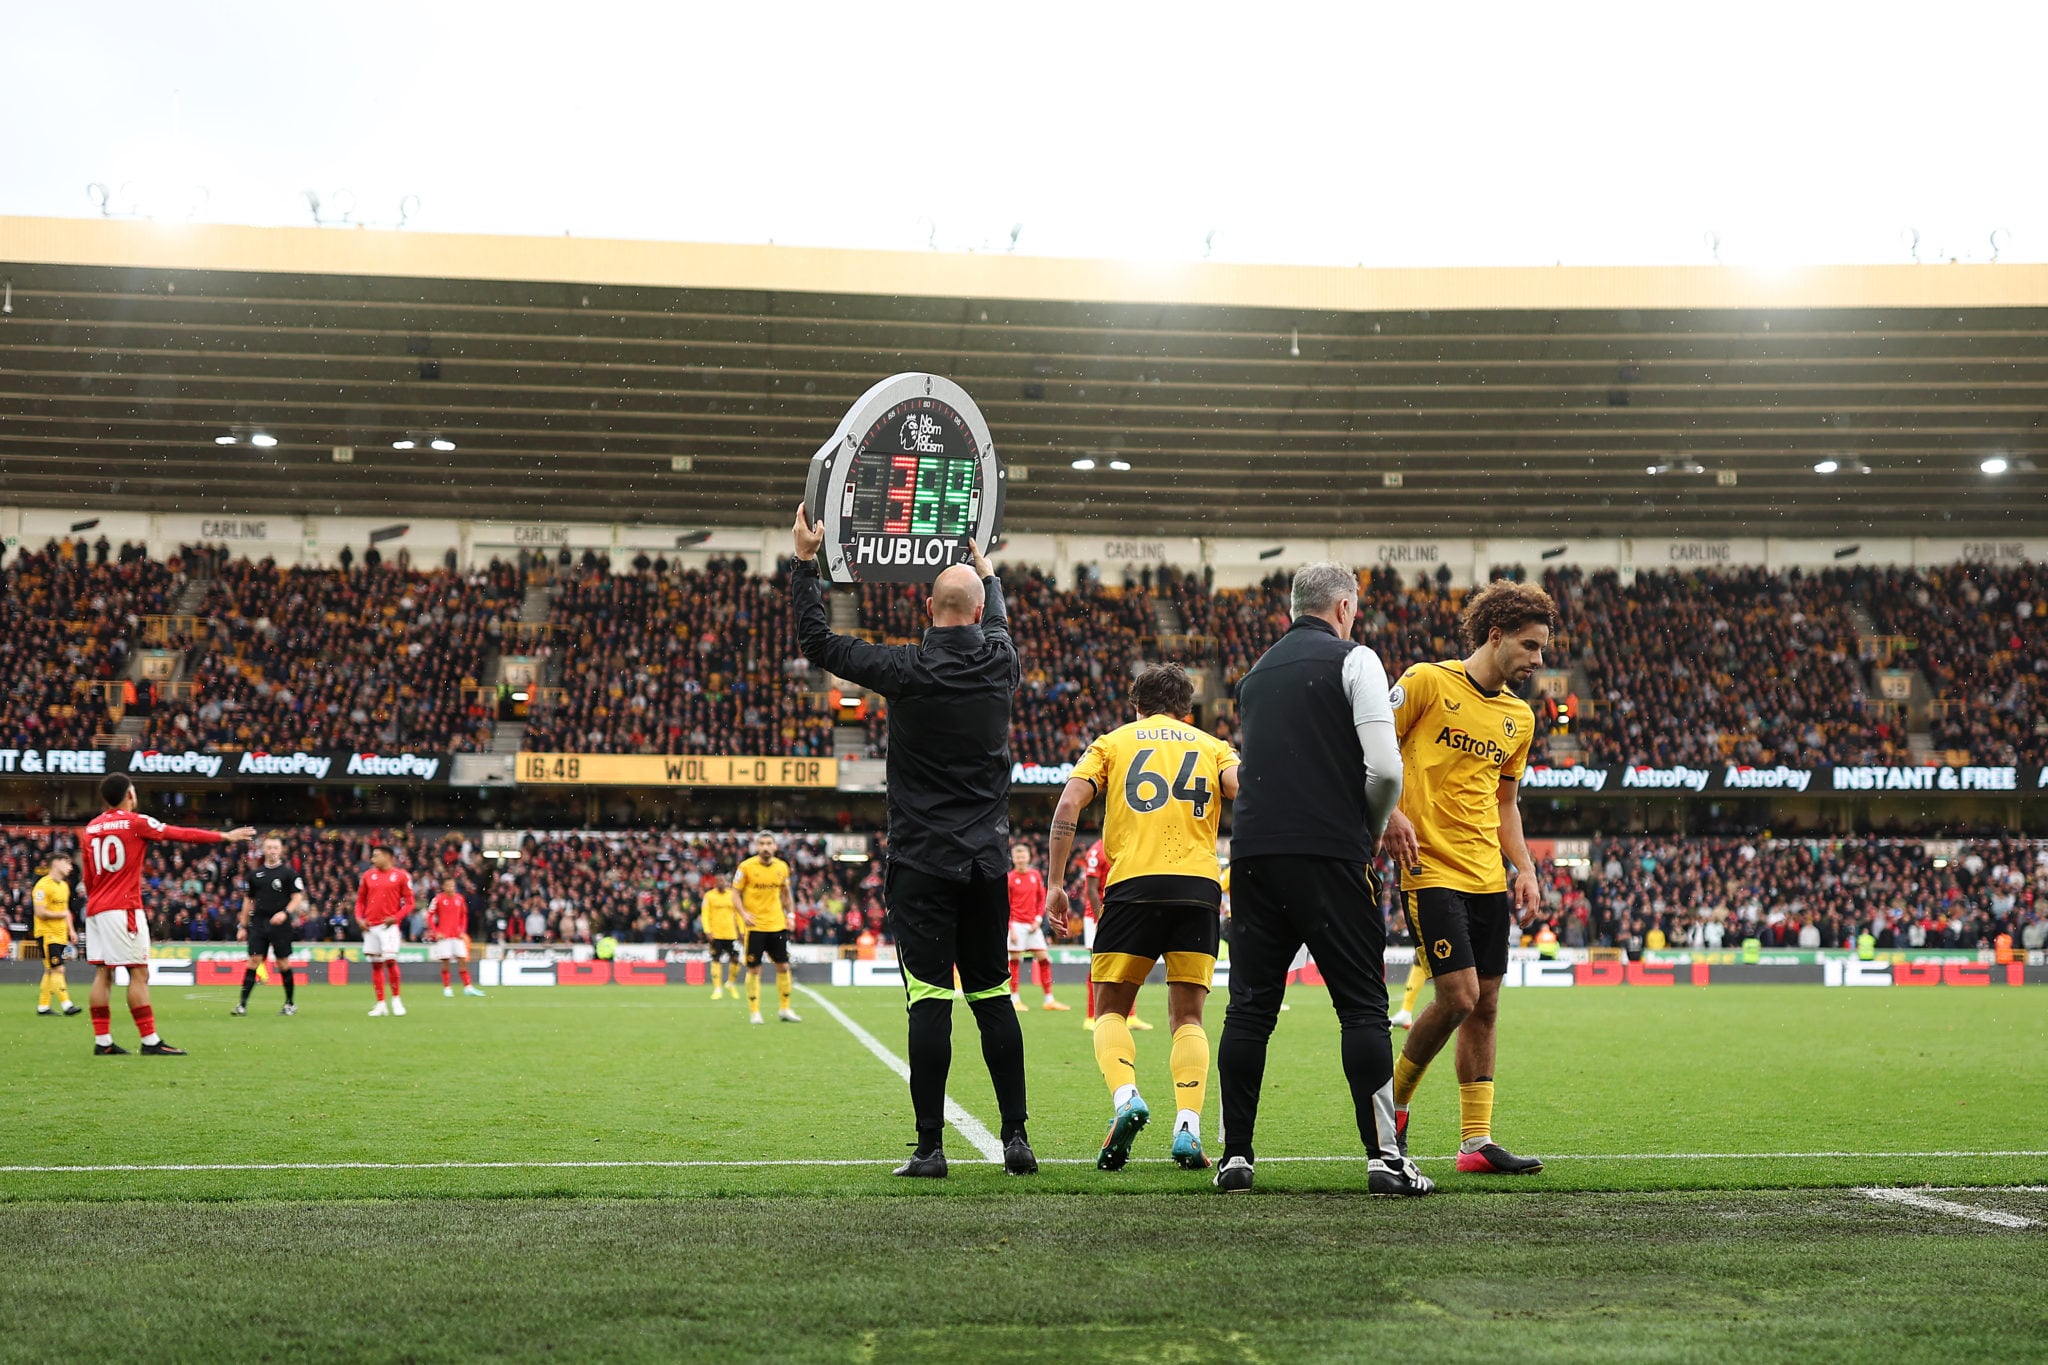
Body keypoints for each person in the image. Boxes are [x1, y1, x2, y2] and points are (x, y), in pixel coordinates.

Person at [792, 504, 1034, 1178]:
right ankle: (1017, 1139)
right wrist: (990, 574)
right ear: (978, 610)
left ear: (929, 608)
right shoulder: (1001, 664)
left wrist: (805, 563)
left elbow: (818, 643)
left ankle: (930, 1148)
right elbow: (999, 623)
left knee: (930, 1000)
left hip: (923, 862)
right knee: (993, 997)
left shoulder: (905, 668)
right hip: (986, 862)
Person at [1214, 562, 1428, 1196]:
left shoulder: (1256, 674)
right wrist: (1372, 827)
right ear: (1344, 608)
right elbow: (1385, 770)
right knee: (1361, 1007)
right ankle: (1385, 1161)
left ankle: (1235, 1157)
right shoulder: (1356, 659)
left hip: (1253, 854)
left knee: (1249, 1010)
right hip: (1330, 852)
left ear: (1293, 608)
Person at [1382, 579, 1559, 1176]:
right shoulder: (1426, 682)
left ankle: (1475, 1143)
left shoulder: (1518, 717)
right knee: (1458, 997)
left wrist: (1525, 868)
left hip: (1486, 875)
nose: (1539, 661)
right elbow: (1371, 751)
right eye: (1531, 646)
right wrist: (1390, 813)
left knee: (1485, 1007)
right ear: (1496, 635)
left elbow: (1506, 803)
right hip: (1428, 867)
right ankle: (1391, 1108)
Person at [1046, 663, 1240, 1172]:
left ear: (1136, 705)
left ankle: (1126, 1097)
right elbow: (1248, 791)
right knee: (1189, 1017)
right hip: (1198, 888)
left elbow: (1069, 803)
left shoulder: (1111, 743)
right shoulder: (1213, 746)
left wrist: (1055, 883)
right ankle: (1188, 1128)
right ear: (1186, 709)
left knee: (1110, 1009)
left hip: (1132, 885)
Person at [80, 774, 254, 1055]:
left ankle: (103, 1042)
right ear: (129, 794)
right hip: (123, 908)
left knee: (103, 973)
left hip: (96, 909)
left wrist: (97, 902)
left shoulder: (91, 828)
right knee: (138, 972)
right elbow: (178, 833)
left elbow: (88, 877)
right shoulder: (136, 822)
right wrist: (223, 836)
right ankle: (150, 1041)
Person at [1080, 839, 1151, 1033]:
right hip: (1097, 916)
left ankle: (1130, 1015)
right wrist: (1100, 918)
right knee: (1098, 967)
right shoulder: (1096, 851)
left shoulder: (1126, 844)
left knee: (1129, 964)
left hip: (1121, 913)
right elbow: (1091, 888)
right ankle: (1091, 1016)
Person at [234, 835, 306, 1016]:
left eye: (275, 847)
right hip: (259, 922)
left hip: (281, 924)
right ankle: (242, 1005)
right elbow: (248, 901)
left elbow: (297, 897)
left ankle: (290, 1004)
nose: (272, 851)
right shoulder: (254, 875)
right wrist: (242, 926)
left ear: (281, 850)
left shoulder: (288, 873)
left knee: (282, 962)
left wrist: (285, 913)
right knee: (254, 960)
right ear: (263, 850)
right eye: (269, 847)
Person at [734, 833, 801, 1024]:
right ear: (757, 846)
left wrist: (791, 915)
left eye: (769, 843)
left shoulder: (782, 867)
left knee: (783, 966)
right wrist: (743, 914)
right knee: (754, 969)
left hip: (777, 925)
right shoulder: (746, 867)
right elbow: (735, 893)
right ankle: (754, 1012)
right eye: (762, 843)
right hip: (755, 926)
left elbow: (786, 894)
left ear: (775, 846)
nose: (765, 847)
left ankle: (785, 1009)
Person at [1004, 844, 1066, 1012]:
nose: (1020, 859)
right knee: (1015, 960)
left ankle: (1049, 999)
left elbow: (1041, 898)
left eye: (1023, 856)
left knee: (1044, 958)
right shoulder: (1010, 878)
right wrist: (1010, 927)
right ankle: (1015, 999)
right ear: (1013, 859)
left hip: (1033, 924)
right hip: (1016, 924)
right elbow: (1005, 904)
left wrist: (1038, 919)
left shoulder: (1035, 875)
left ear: (1028, 857)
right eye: (1017, 857)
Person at [356, 845, 414, 1017]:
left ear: (388, 856)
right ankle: (381, 1003)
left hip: (388, 926)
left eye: (376, 856)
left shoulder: (401, 876)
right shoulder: (368, 876)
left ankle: (396, 1000)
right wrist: (359, 918)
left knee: (390, 961)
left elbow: (410, 903)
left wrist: (396, 918)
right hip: (370, 926)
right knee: (376, 965)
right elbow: (360, 900)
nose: (373, 859)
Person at [32, 853, 81, 1016]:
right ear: (56, 863)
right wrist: (61, 915)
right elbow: (40, 912)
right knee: (58, 969)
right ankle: (67, 1005)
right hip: (46, 934)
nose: (70, 867)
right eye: (67, 863)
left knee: (50, 970)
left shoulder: (64, 886)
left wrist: (71, 930)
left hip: (60, 934)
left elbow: (65, 911)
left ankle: (43, 1006)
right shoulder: (42, 886)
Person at [430, 876, 484, 998]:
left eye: (453, 885)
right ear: (444, 887)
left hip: (457, 936)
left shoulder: (460, 898)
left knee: (462, 960)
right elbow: (430, 917)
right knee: (445, 962)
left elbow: (463, 916)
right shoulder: (438, 899)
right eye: (449, 885)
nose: (451, 888)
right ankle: (447, 988)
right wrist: (436, 932)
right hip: (444, 936)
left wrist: (462, 931)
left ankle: (468, 987)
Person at [699, 873, 742, 1000]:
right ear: (715, 883)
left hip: (731, 934)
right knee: (716, 959)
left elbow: (738, 914)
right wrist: (707, 931)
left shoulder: (732, 895)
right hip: (716, 934)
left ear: (726, 882)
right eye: (718, 881)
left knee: (736, 959)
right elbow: (705, 914)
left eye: (722, 880)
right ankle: (717, 989)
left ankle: (730, 983)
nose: (720, 883)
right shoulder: (709, 896)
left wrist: (741, 931)